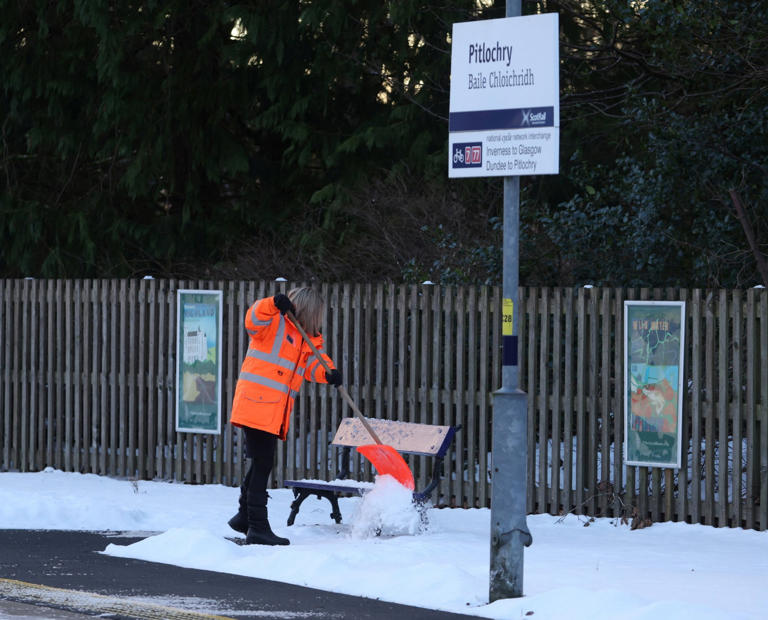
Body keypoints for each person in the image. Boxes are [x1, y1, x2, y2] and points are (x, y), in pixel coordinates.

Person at [227, 288, 342, 545]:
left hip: (272, 409)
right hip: (256, 404)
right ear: (310, 311)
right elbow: (252, 319)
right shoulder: (274, 323)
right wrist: (271, 303)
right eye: (318, 314)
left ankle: (245, 516)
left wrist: (329, 373)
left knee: (260, 461)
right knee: (263, 462)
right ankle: (257, 525)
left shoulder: (305, 339)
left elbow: (313, 363)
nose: (320, 319)